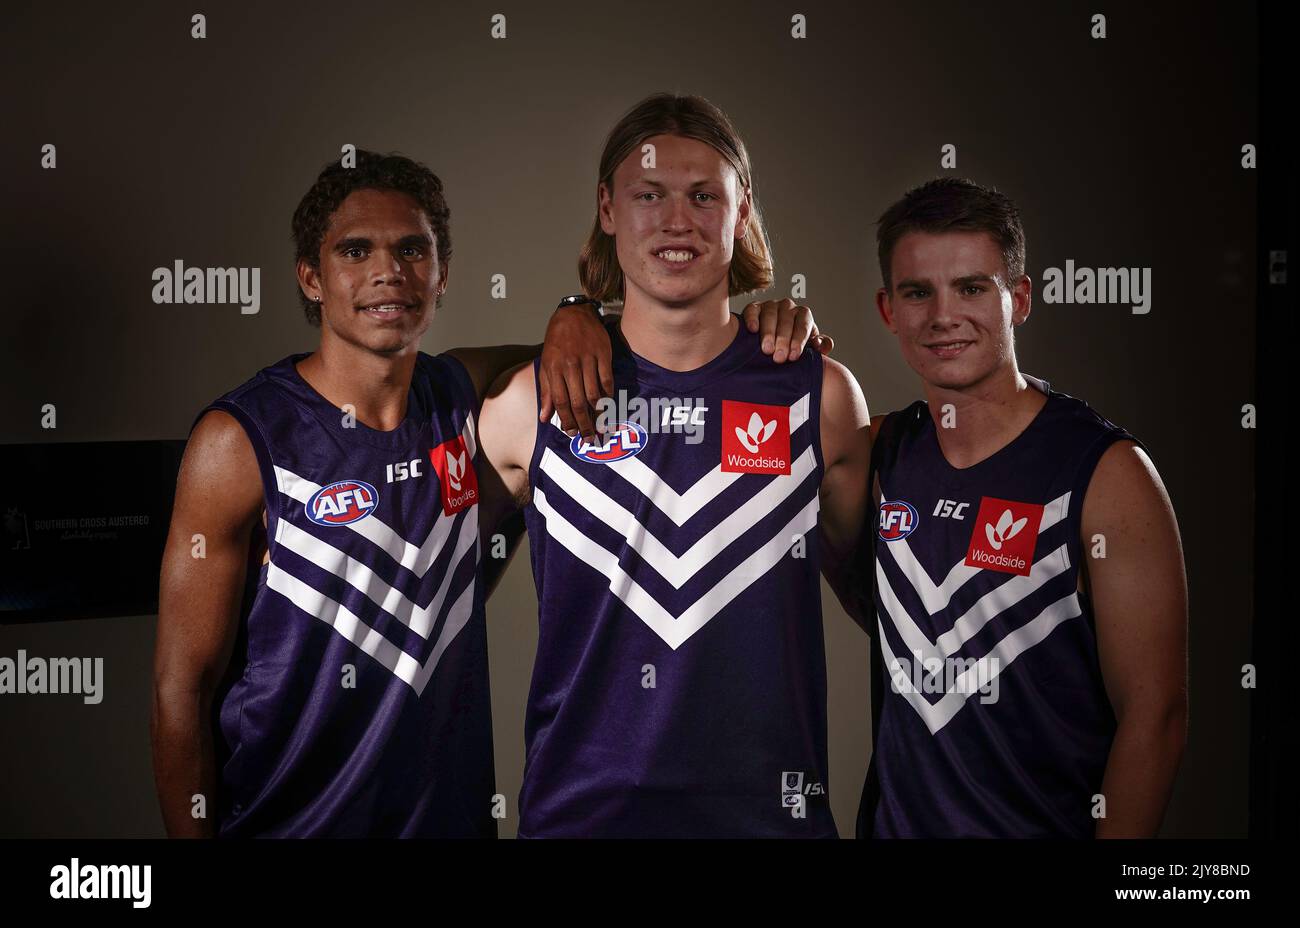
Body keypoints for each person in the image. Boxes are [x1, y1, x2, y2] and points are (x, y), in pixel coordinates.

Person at [151, 149, 822, 837]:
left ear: (443, 275)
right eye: (355, 250)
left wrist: (579, 311)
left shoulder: (463, 401)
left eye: (412, 249)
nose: (388, 271)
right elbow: (181, 693)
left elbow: (607, 348)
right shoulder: (241, 440)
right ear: (310, 278)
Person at [477, 93, 871, 837]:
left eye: (703, 196)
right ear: (607, 207)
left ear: (742, 208)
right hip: (580, 822)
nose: (676, 221)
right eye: (648, 195)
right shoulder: (529, 403)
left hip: (771, 823)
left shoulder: (818, 396)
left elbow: (882, 598)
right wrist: (574, 310)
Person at [856, 177, 1187, 838]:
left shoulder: (1106, 472)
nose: (943, 315)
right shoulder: (879, 453)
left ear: (1021, 300)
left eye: (973, 288)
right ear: (888, 309)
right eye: (918, 292)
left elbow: (1158, 716)